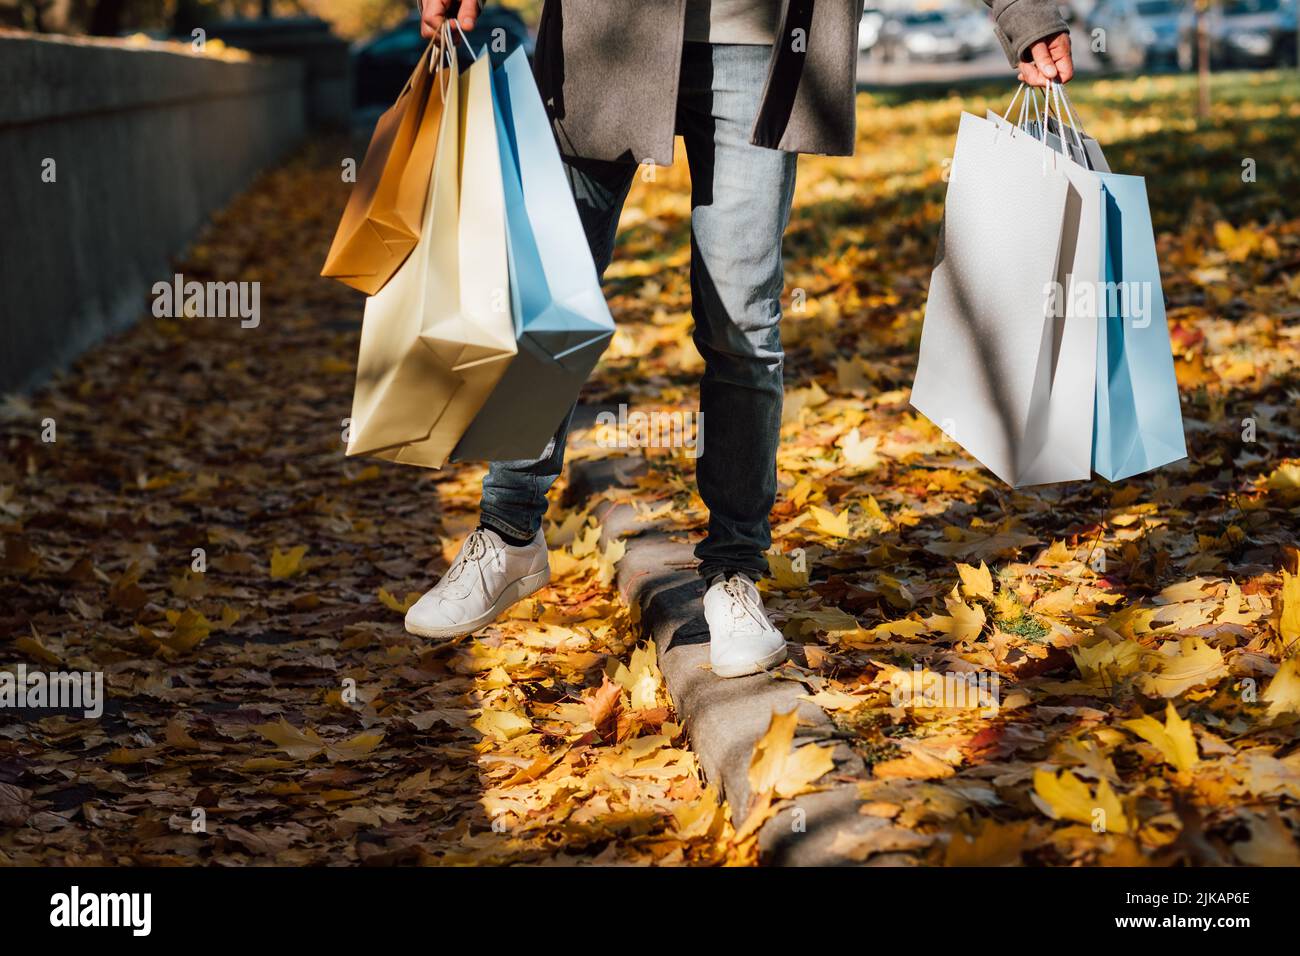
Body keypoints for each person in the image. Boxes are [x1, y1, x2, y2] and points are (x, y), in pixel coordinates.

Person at [405, 0, 1074, 677]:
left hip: (759, 44)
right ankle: (509, 529)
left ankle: (733, 576)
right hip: (605, 32)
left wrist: (1022, 11)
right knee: (546, 296)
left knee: (741, 323)